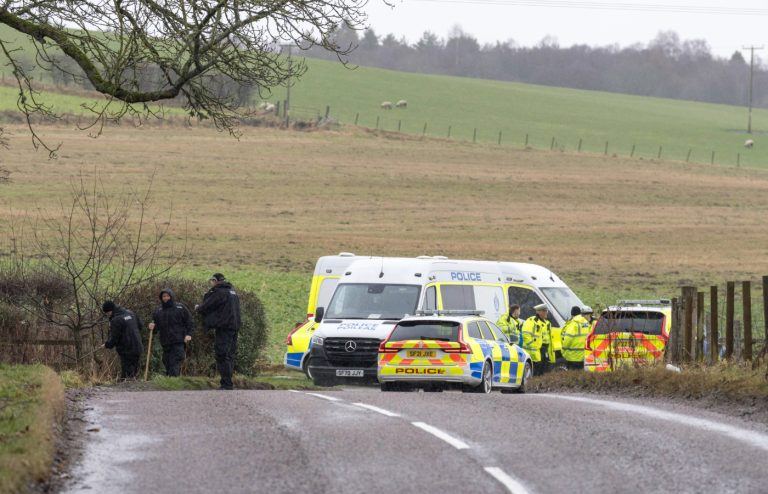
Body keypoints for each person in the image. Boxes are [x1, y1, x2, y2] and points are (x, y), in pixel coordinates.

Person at [196, 273, 241, 390]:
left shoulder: (219, 292)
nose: (211, 283)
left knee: (222, 354)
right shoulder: (233, 292)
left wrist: (198, 308)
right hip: (234, 327)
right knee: (230, 355)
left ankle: (226, 384)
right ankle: (228, 382)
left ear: (215, 281)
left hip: (224, 327)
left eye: (212, 281)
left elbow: (207, 305)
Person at [148, 288, 194, 377]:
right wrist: (152, 327)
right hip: (165, 341)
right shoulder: (158, 310)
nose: (165, 298)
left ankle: (173, 381)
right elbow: (156, 327)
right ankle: (170, 382)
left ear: (171, 296)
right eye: (164, 296)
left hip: (178, 340)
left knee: (175, 360)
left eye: (167, 296)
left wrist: (189, 334)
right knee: (166, 361)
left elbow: (189, 322)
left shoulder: (180, 308)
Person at [103, 301, 144, 380]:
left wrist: (107, 344)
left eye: (107, 313)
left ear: (110, 310)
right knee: (134, 371)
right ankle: (133, 385)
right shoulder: (131, 313)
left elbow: (114, 338)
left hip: (126, 349)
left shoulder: (115, 320)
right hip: (138, 346)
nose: (107, 315)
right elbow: (141, 326)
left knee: (126, 373)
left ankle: (127, 388)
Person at [522, 303, 552, 376]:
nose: (546, 313)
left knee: (543, 370)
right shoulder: (531, 321)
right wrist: (532, 345)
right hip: (534, 351)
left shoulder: (547, 323)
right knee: (535, 371)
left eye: (546, 311)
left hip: (544, 350)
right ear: (539, 312)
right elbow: (526, 334)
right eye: (544, 311)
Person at [561, 306, 592, 370]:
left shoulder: (573, 324)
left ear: (572, 314)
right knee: (580, 375)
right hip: (583, 355)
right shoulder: (586, 323)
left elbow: (568, 339)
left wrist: (563, 350)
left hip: (573, 356)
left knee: (572, 376)